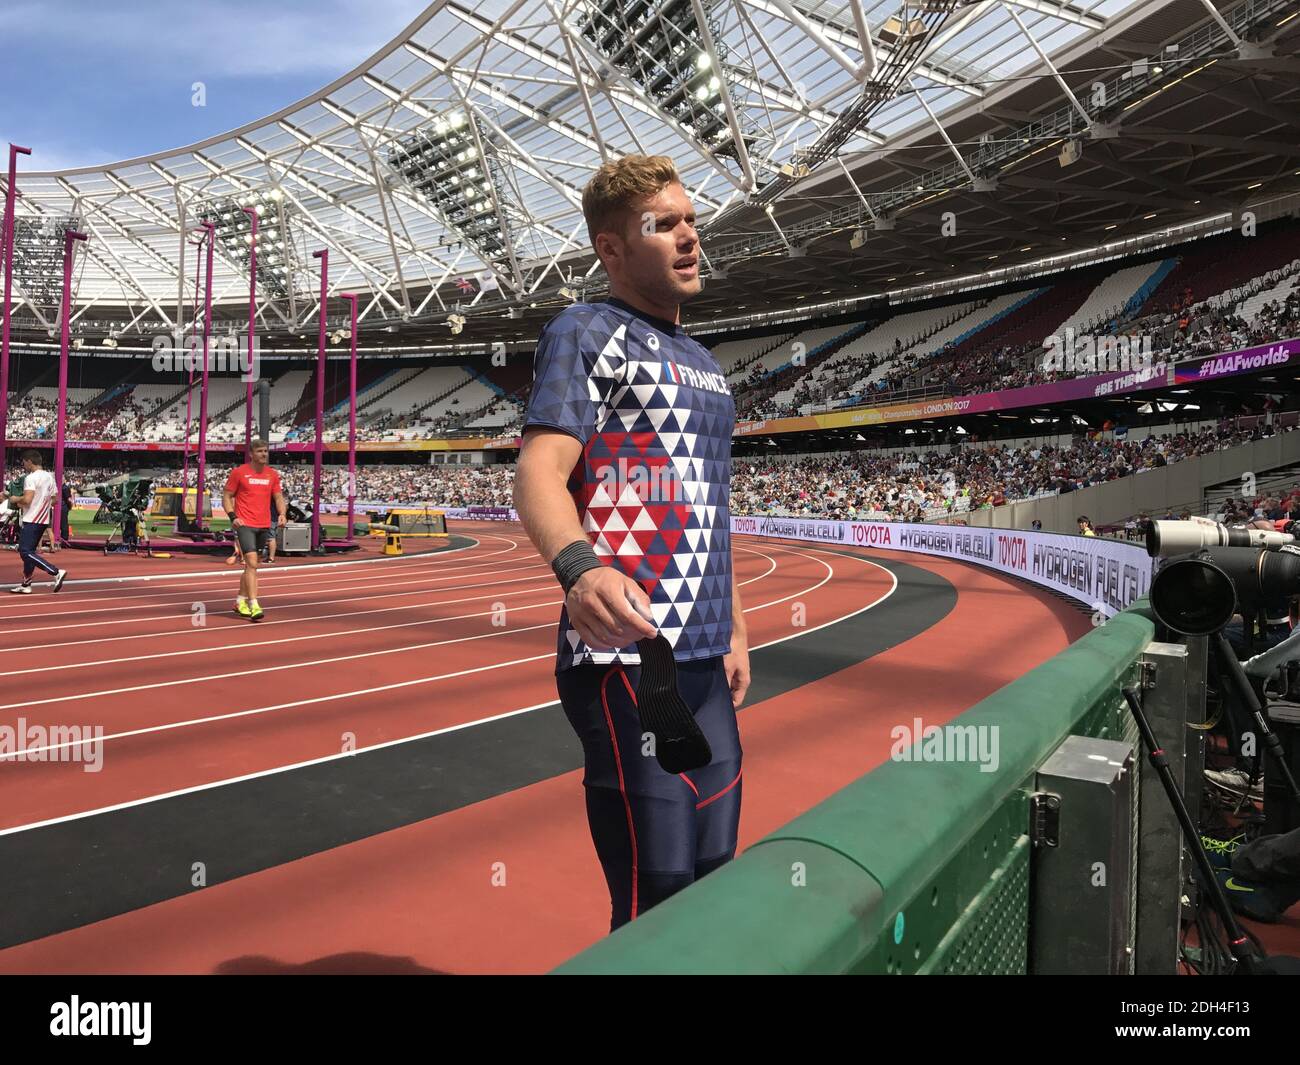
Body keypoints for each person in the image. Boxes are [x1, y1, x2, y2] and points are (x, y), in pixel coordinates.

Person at [514, 154, 749, 931]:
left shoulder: (710, 366)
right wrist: (578, 570)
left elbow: (709, 508)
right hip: (629, 652)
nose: (689, 237)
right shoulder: (584, 331)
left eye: (691, 221)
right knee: (661, 889)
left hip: (706, 658)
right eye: (664, 225)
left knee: (715, 874)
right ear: (612, 250)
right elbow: (541, 470)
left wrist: (737, 625)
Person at [221, 439, 286, 621]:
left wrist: (282, 513)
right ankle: (254, 604)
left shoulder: (272, 475)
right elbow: (227, 496)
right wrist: (233, 517)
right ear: (251, 454)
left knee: (252, 565)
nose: (264, 454)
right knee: (251, 563)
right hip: (244, 524)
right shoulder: (239, 473)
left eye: (266, 451)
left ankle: (239, 600)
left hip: (264, 524)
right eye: (260, 451)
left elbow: (278, 497)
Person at [6, 450, 68, 594]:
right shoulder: (50, 477)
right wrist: (41, 505)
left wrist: (15, 499)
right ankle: (26, 584)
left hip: (32, 518)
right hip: (43, 518)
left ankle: (55, 572)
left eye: (24, 462)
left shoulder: (31, 478)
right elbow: (55, 499)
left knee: (25, 551)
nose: (23, 465)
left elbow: (27, 499)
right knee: (30, 552)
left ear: (29, 461)